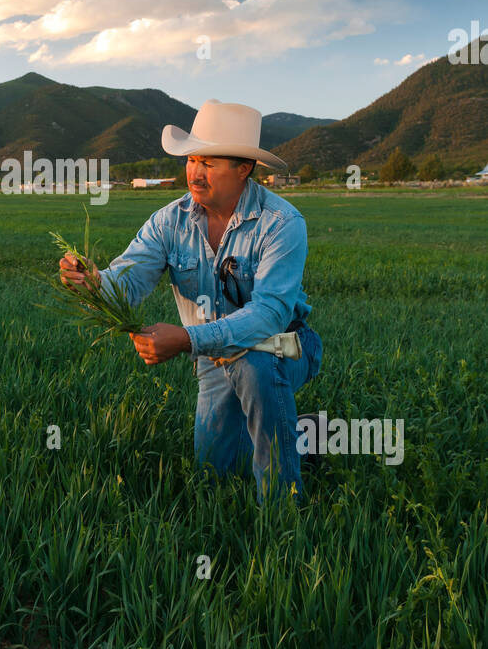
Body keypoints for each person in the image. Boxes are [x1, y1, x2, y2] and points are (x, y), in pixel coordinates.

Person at [59, 99, 322, 503]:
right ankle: (296, 432)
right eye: (192, 159)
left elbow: (269, 315)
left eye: (210, 162)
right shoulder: (169, 221)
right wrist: (93, 282)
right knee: (213, 474)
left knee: (255, 366)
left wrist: (186, 339)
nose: (195, 172)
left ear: (244, 168)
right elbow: (126, 284)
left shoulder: (283, 224)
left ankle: (283, 510)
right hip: (213, 358)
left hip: (282, 348)